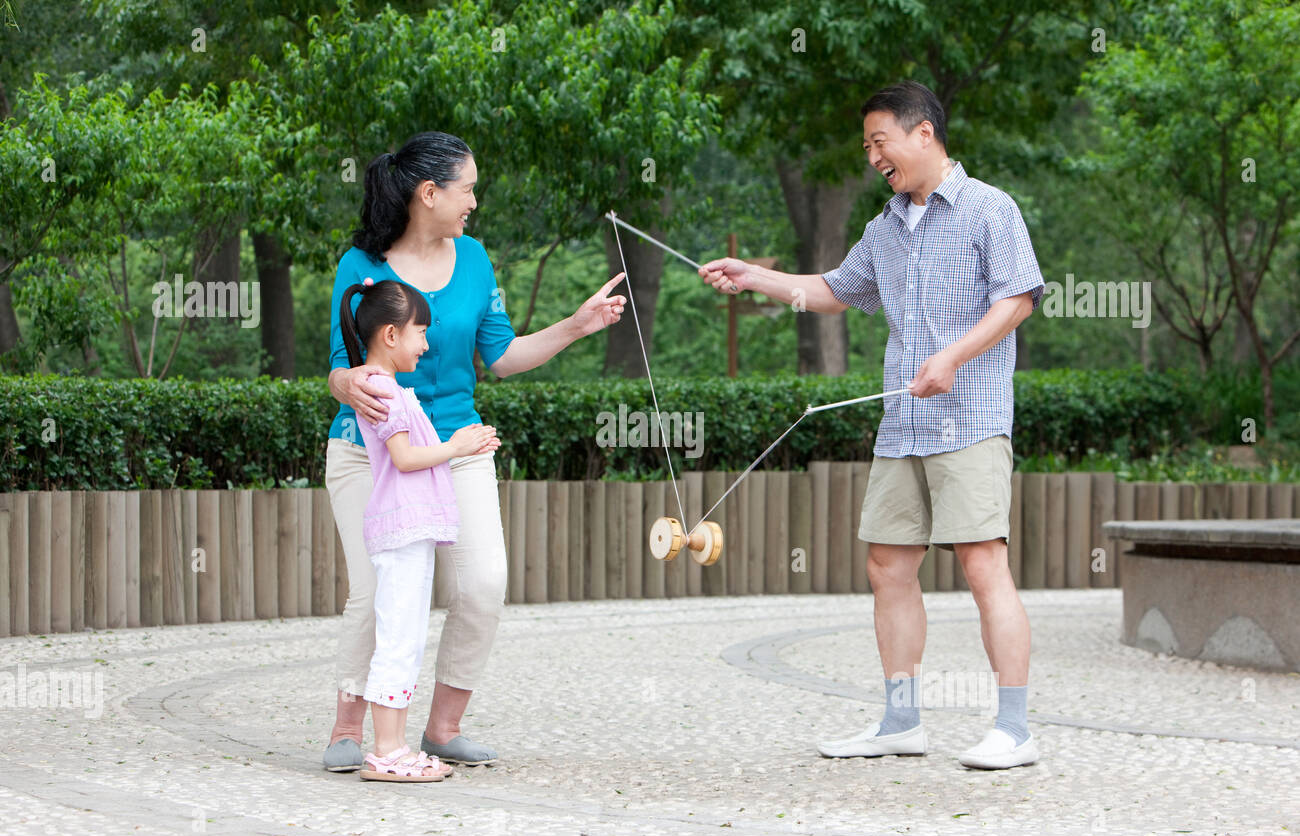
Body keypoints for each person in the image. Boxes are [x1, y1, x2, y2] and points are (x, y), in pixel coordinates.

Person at [698, 81, 1045, 770]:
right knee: (887, 565)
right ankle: (900, 720)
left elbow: (1018, 300)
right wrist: (753, 278)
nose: (873, 157)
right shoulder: (884, 228)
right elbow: (831, 290)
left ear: (923, 134)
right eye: (866, 147)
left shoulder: (988, 209)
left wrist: (953, 356)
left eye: (879, 141)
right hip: (902, 427)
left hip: (969, 422)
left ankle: (1014, 728)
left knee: (983, 564)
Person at [322, 131, 626, 772]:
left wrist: (579, 323)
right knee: (375, 587)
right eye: (468, 189)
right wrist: (347, 382)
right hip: (370, 453)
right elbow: (337, 368)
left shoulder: (476, 260)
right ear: (428, 193)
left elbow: (503, 356)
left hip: (457, 445)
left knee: (484, 584)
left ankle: (442, 728)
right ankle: (349, 729)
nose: (474, 202)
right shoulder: (361, 264)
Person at [337, 277, 500, 780]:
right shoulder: (380, 387)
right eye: (420, 333)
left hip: (409, 533)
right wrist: (458, 447)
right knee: (399, 639)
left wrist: (461, 444)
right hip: (401, 533)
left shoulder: (386, 386)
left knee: (404, 636)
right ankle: (387, 753)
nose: (426, 344)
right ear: (390, 335)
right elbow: (405, 458)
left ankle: (393, 746)